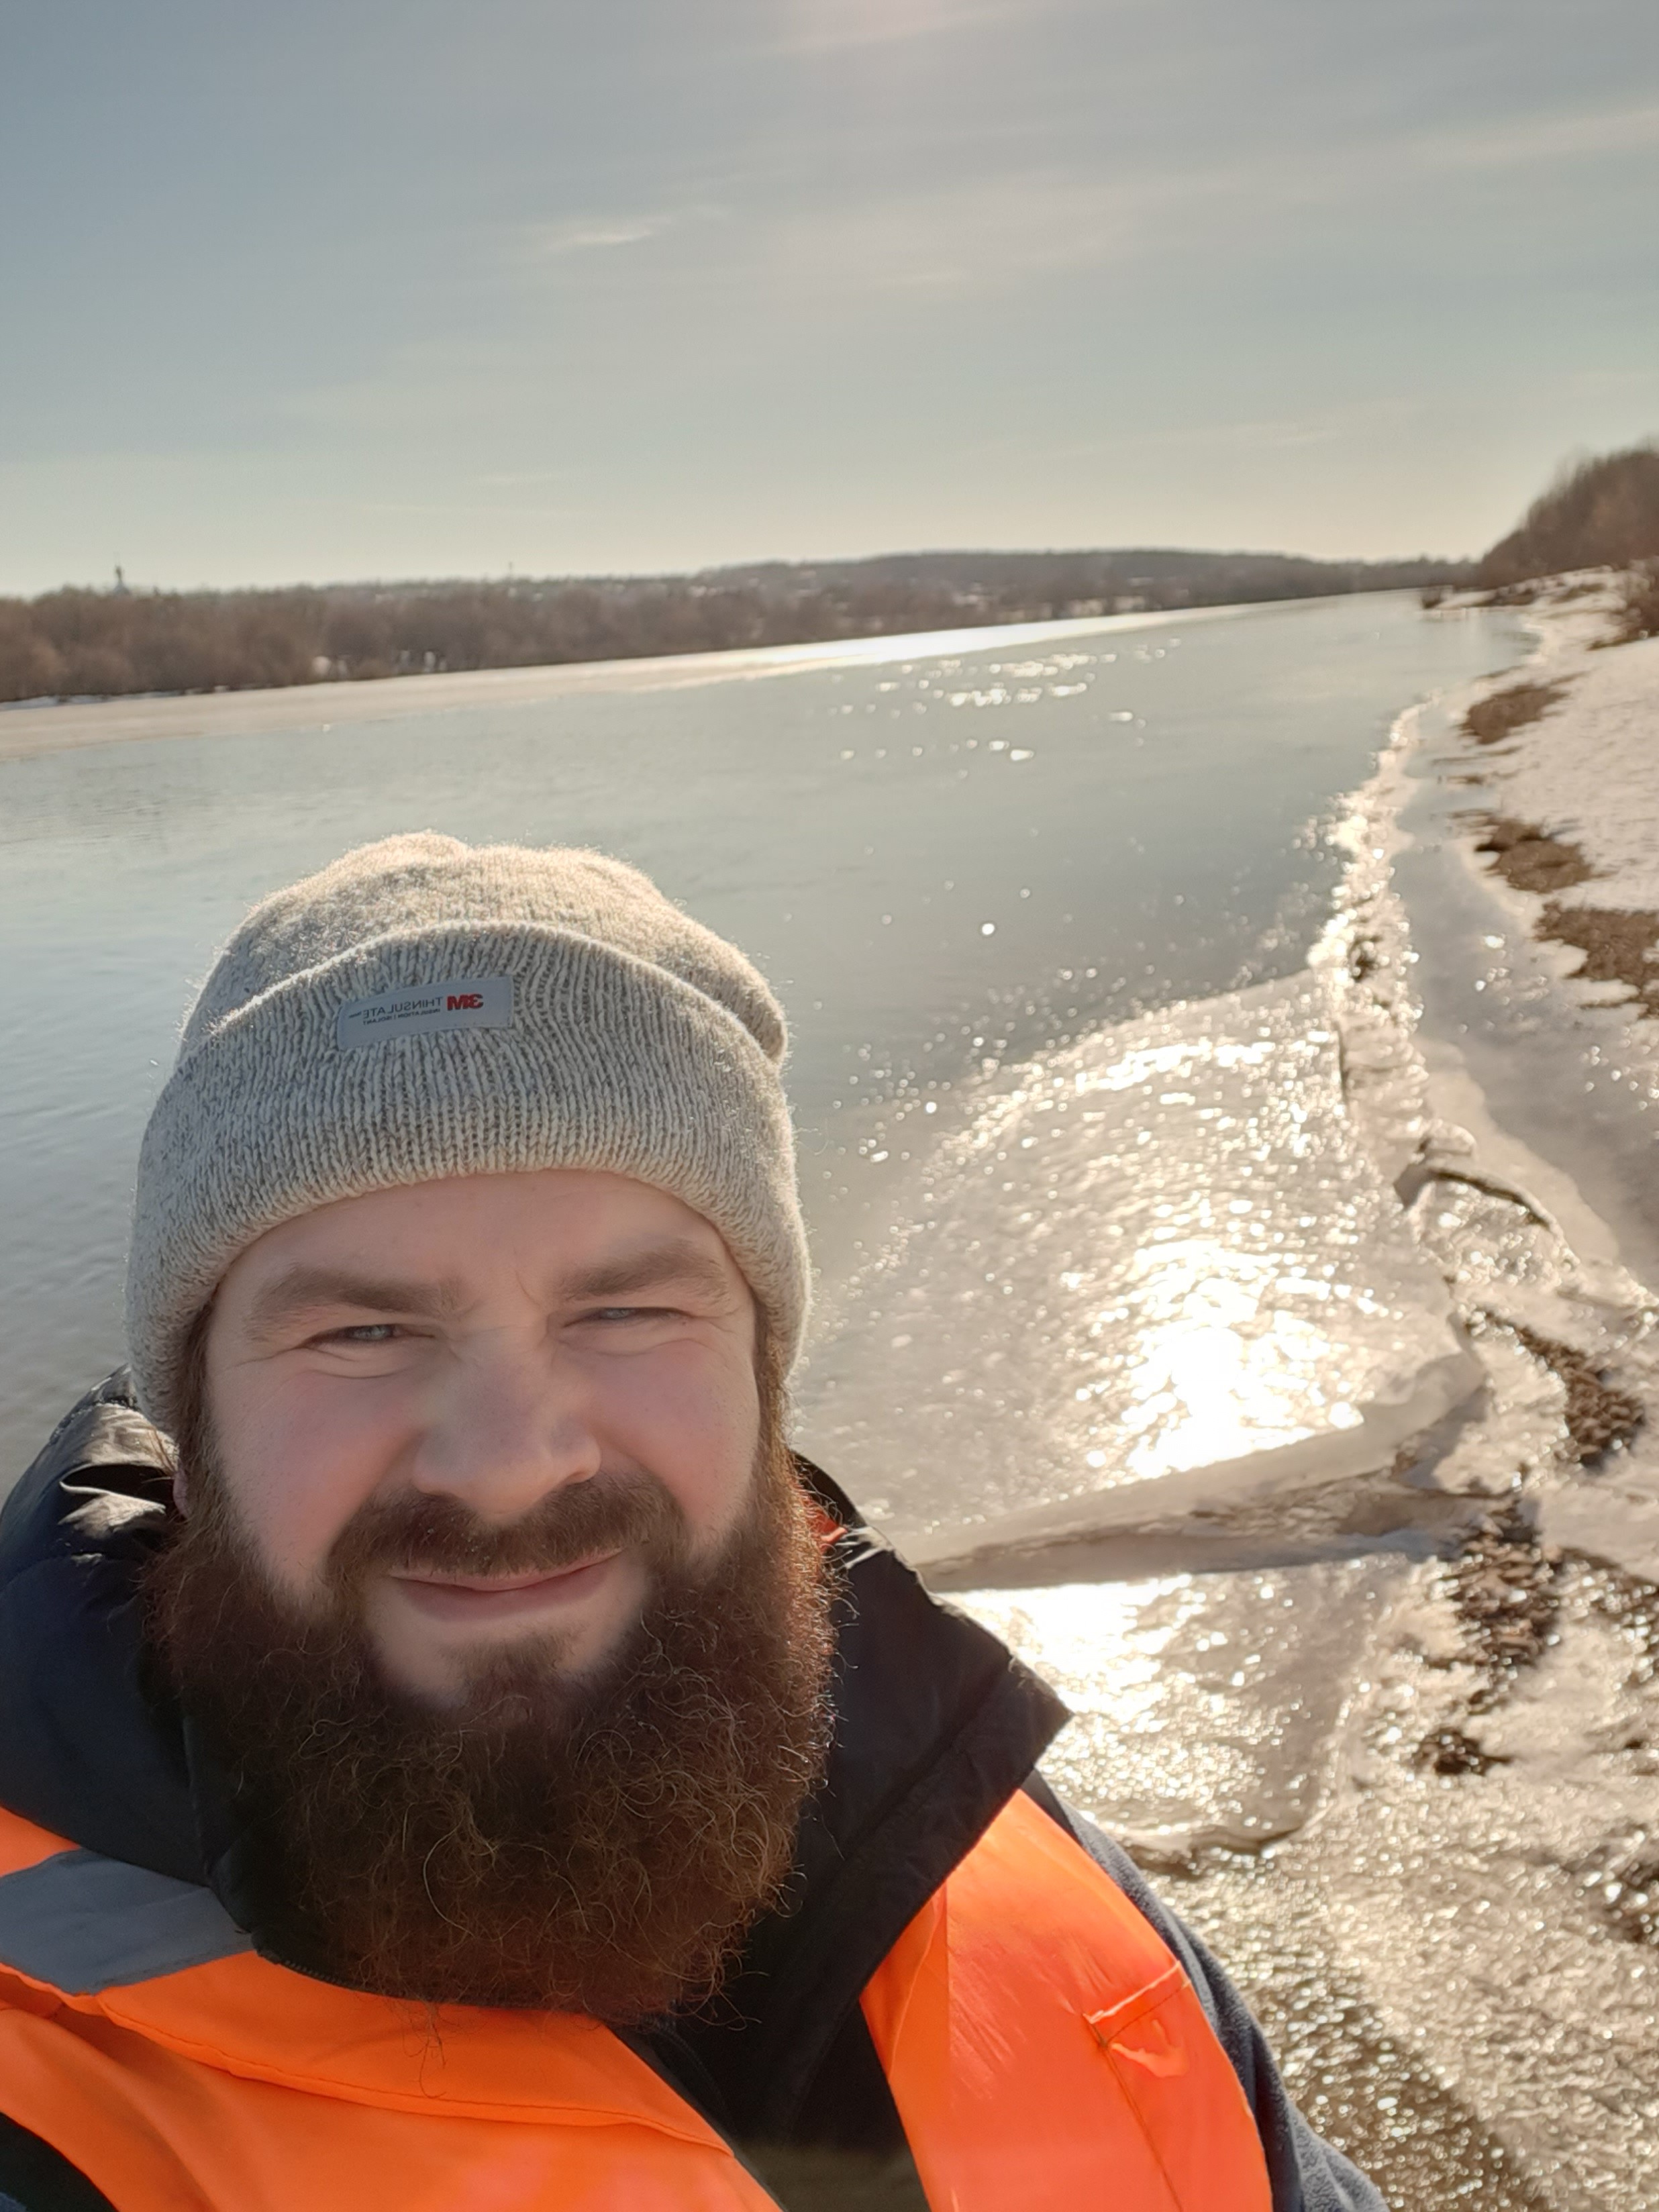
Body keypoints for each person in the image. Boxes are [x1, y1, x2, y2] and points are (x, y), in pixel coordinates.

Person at [0, 835, 1382, 2211]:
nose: (508, 1463)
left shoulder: (1004, 1846)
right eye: (361, 1328)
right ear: (193, 1440)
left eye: (626, 1311)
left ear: (763, 1385)